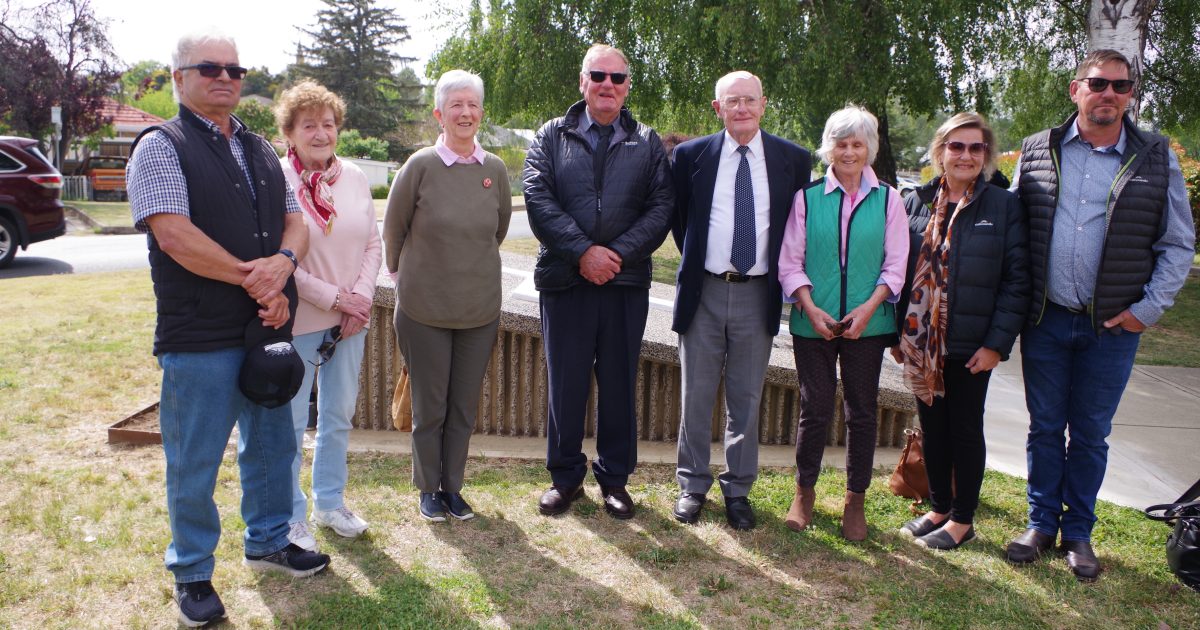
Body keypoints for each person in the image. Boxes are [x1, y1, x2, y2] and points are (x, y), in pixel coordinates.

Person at [126, 29, 329, 627]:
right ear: (178, 78)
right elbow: (173, 235)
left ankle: (268, 542)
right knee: (195, 459)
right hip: (199, 336)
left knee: (272, 445)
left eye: (235, 70)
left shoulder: (262, 148)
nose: (224, 78)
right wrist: (257, 279)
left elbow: (296, 224)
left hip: (264, 328)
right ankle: (192, 572)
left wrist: (284, 266)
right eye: (209, 67)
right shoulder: (160, 145)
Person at [1007, 49, 1194, 580]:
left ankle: (1079, 533)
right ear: (1076, 89)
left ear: (1130, 94)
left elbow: (1177, 244)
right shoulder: (1037, 150)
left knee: (1090, 432)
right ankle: (1040, 523)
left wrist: (1146, 311)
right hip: (1046, 319)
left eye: (1120, 86)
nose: (1108, 93)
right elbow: (1016, 234)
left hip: (1112, 328)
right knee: (1044, 427)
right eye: (1098, 83)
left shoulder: (1157, 156)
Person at [524, 43, 674, 520]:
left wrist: (618, 255)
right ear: (582, 82)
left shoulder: (647, 142)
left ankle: (614, 480)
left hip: (624, 285)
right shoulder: (551, 135)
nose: (608, 84)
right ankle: (565, 477)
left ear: (628, 86)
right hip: (565, 281)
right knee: (565, 383)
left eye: (617, 77)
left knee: (618, 383)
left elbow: (661, 207)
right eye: (599, 75)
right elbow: (537, 197)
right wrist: (583, 252)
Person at [669, 71, 812, 530]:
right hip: (706, 290)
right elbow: (679, 222)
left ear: (764, 104)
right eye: (733, 102)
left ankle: (738, 490)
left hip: (758, 292)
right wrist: (703, 264)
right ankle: (692, 485)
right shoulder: (691, 156)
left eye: (750, 100)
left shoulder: (793, 159)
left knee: (746, 397)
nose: (742, 109)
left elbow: (795, 227)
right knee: (695, 394)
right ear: (718, 108)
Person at [891, 113, 1029, 550]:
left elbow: (1017, 281)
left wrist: (996, 345)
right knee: (933, 427)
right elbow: (897, 271)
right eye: (956, 146)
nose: (965, 155)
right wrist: (898, 335)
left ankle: (963, 520)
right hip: (920, 343)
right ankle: (939, 506)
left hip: (971, 346)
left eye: (975, 147)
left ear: (985, 154)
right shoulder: (916, 201)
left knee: (965, 429)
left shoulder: (1003, 206)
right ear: (940, 152)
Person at [384, 70, 512, 523]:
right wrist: (407, 282)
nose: (465, 113)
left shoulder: (494, 170)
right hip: (423, 312)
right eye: (455, 105)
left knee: (462, 407)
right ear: (439, 114)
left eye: (472, 105)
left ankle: (453, 488)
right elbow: (393, 232)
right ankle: (427, 488)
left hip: (478, 311)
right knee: (429, 406)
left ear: (481, 113)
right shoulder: (419, 166)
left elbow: (496, 232)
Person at [777, 105, 908, 541]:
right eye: (840, 143)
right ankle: (804, 492)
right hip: (812, 322)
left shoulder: (890, 200)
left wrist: (868, 310)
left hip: (867, 325)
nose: (849, 152)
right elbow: (790, 263)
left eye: (857, 143)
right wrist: (810, 308)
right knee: (814, 408)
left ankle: (856, 500)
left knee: (862, 412)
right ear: (828, 148)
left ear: (869, 148)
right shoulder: (807, 198)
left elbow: (895, 268)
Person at [274, 80, 381, 550]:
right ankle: (290, 516)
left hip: (349, 324)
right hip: (300, 322)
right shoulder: (278, 179)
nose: (321, 133)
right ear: (290, 134)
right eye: (309, 125)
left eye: (329, 124)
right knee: (291, 424)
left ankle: (330, 503)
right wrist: (338, 299)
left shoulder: (354, 177)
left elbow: (373, 242)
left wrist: (359, 299)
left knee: (338, 416)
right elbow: (281, 259)